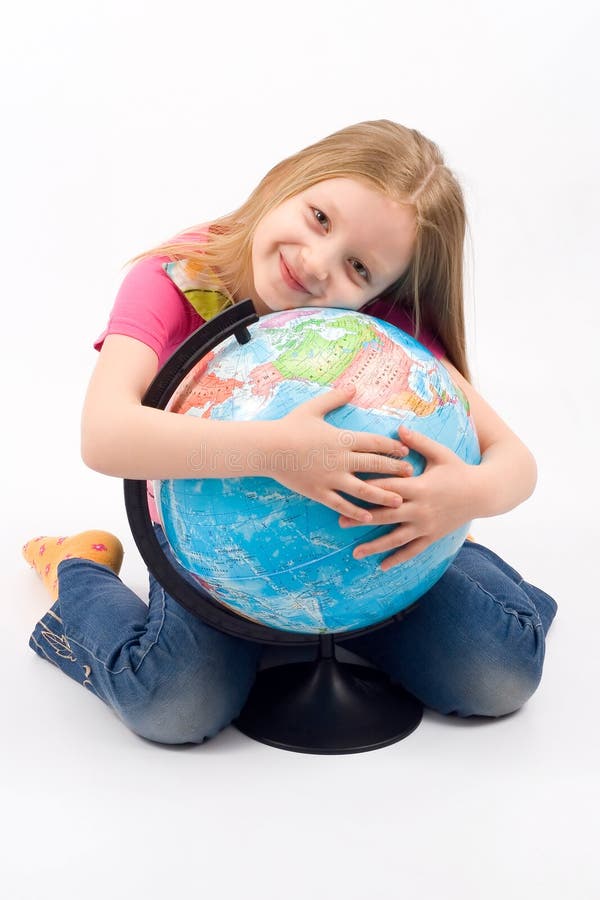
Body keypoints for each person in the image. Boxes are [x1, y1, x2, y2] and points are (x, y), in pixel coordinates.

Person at [22, 120, 557, 744]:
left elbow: (515, 460)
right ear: (287, 181)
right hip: (214, 560)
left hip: (370, 563)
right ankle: (78, 567)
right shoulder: (176, 281)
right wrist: (277, 452)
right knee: (171, 705)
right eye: (320, 218)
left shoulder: (380, 325)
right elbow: (103, 434)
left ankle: (450, 575)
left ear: (385, 288)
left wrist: (463, 497)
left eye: (359, 267)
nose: (315, 263)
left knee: (501, 675)